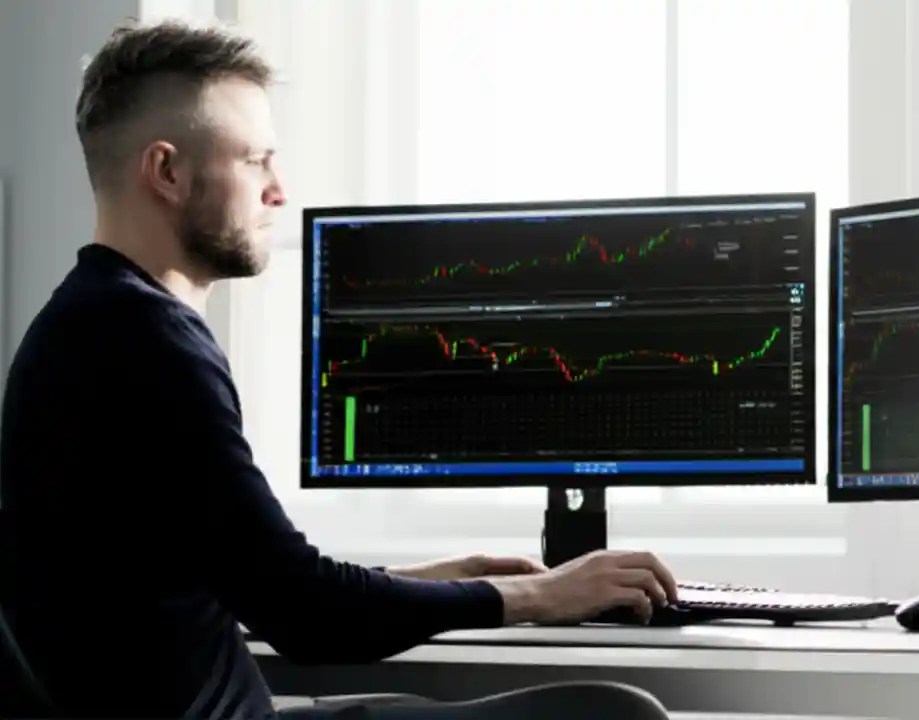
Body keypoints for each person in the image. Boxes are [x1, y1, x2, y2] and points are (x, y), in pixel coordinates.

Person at [0, 19, 676, 720]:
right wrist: (542, 596)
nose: (279, 191)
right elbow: (303, 613)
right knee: (615, 712)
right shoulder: (147, 342)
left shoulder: (89, 323)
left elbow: (251, 581)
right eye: (257, 159)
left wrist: (433, 581)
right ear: (167, 171)